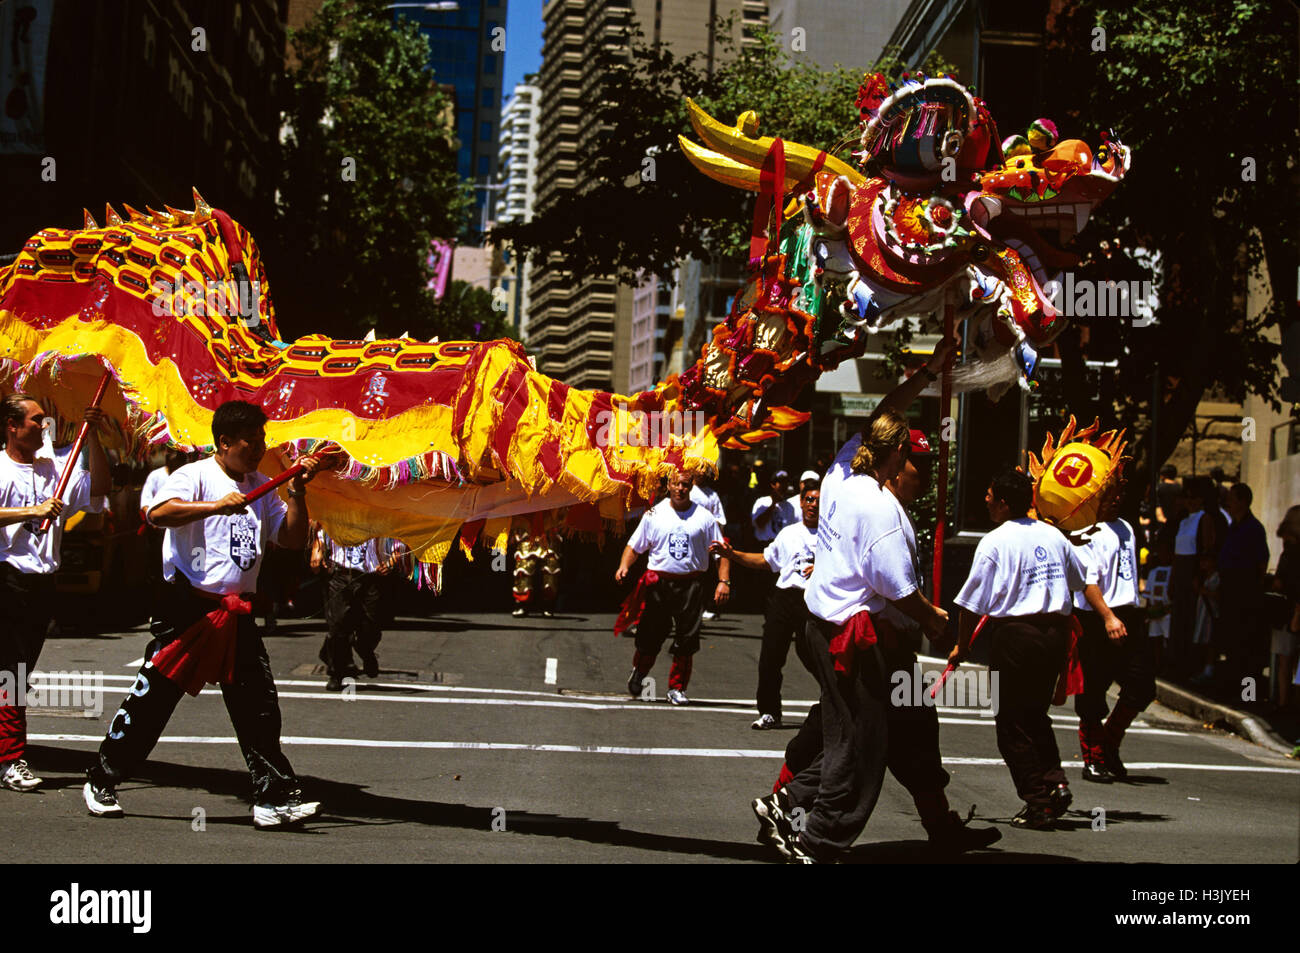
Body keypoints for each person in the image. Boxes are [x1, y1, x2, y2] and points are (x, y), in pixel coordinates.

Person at [84, 400, 324, 827]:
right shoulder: (194, 475)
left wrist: (298, 491)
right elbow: (158, 513)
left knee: (259, 707)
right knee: (153, 702)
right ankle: (103, 776)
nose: (258, 449)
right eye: (251, 442)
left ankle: (271, 798)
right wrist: (216, 507)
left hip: (236, 613)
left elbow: (290, 540)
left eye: (262, 441)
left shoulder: (263, 485)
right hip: (187, 611)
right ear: (224, 442)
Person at [951, 467, 1088, 829]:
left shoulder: (995, 541)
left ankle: (1038, 800)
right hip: (1053, 637)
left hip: (1016, 638)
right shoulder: (1055, 537)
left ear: (1004, 503)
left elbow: (970, 604)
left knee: (1012, 722)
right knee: (1034, 713)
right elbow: (1077, 581)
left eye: (990, 495)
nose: (986, 500)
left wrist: (961, 646)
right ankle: (1054, 781)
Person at [0, 394, 108, 792]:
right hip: (6, 578)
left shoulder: (54, 468)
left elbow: (98, 488)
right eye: (35, 420)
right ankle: (11, 758)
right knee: (10, 671)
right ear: (12, 426)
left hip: (43, 583)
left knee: (16, 671)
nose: (43, 427)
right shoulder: (0, 468)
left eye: (45, 421)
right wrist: (30, 512)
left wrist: (92, 435)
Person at [615, 469, 730, 705]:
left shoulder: (705, 518)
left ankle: (677, 688)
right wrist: (624, 565)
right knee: (650, 634)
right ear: (669, 486)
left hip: (692, 584)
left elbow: (721, 552)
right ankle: (640, 671)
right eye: (677, 484)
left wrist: (723, 581)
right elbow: (635, 546)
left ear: (691, 487)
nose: (681, 489)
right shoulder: (654, 514)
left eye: (685, 485)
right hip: (659, 584)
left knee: (687, 638)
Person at [711, 484, 819, 729]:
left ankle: (834, 706)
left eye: (818, 500)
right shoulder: (789, 533)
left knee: (814, 656)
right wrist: (733, 554)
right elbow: (765, 561)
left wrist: (822, 569)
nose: (813, 504)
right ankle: (769, 711)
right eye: (809, 500)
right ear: (801, 503)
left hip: (813, 601)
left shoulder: (832, 536)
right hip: (784, 597)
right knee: (771, 656)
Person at [1070, 476, 1154, 782]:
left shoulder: (1127, 528)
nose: (1116, 499)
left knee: (1142, 684)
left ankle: (1109, 742)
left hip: (1128, 614)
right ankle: (1093, 756)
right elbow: (1088, 582)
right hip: (1096, 616)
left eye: (1119, 494)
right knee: (1092, 689)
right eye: (1109, 495)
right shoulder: (1083, 532)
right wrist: (1107, 617)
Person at [314, 530, 401, 689]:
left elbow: (398, 546)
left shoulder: (383, 513)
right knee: (337, 625)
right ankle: (337, 673)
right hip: (340, 573)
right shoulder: (340, 509)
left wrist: (391, 563)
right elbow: (322, 535)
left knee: (371, 625)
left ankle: (365, 650)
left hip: (372, 575)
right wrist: (317, 551)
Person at [1215, 483, 1270, 694]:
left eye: (1232, 498)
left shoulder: (1254, 529)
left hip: (1246, 596)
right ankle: (1232, 689)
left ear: (1243, 502)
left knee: (1248, 647)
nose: (1228, 502)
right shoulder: (1232, 527)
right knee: (1231, 645)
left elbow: (1261, 564)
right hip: (1229, 594)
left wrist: (1253, 590)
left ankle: (1249, 695)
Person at [1268, 506, 1300, 708]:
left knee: (1284, 659)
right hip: (1294, 606)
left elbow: (1279, 582)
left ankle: (1281, 701)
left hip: (1288, 608)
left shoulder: (1289, 554)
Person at [509, 526, 561, 619]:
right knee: (523, 568)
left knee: (551, 567)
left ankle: (548, 605)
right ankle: (522, 603)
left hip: (549, 529)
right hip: (526, 527)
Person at [1142, 538, 1174, 673]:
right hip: (1155, 610)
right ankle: (1158, 664)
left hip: (1167, 610)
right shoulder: (1153, 572)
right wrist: (1148, 610)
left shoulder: (1173, 570)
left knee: (1167, 639)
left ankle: (1169, 665)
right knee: (1155, 638)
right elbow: (1148, 594)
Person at [751, 470, 797, 545]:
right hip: (763, 545)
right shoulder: (762, 502)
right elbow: (759, 524)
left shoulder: (789, 506)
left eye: (786, 483)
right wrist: (773, 504)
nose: (784, 486)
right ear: (773, 484)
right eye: (781, 483)